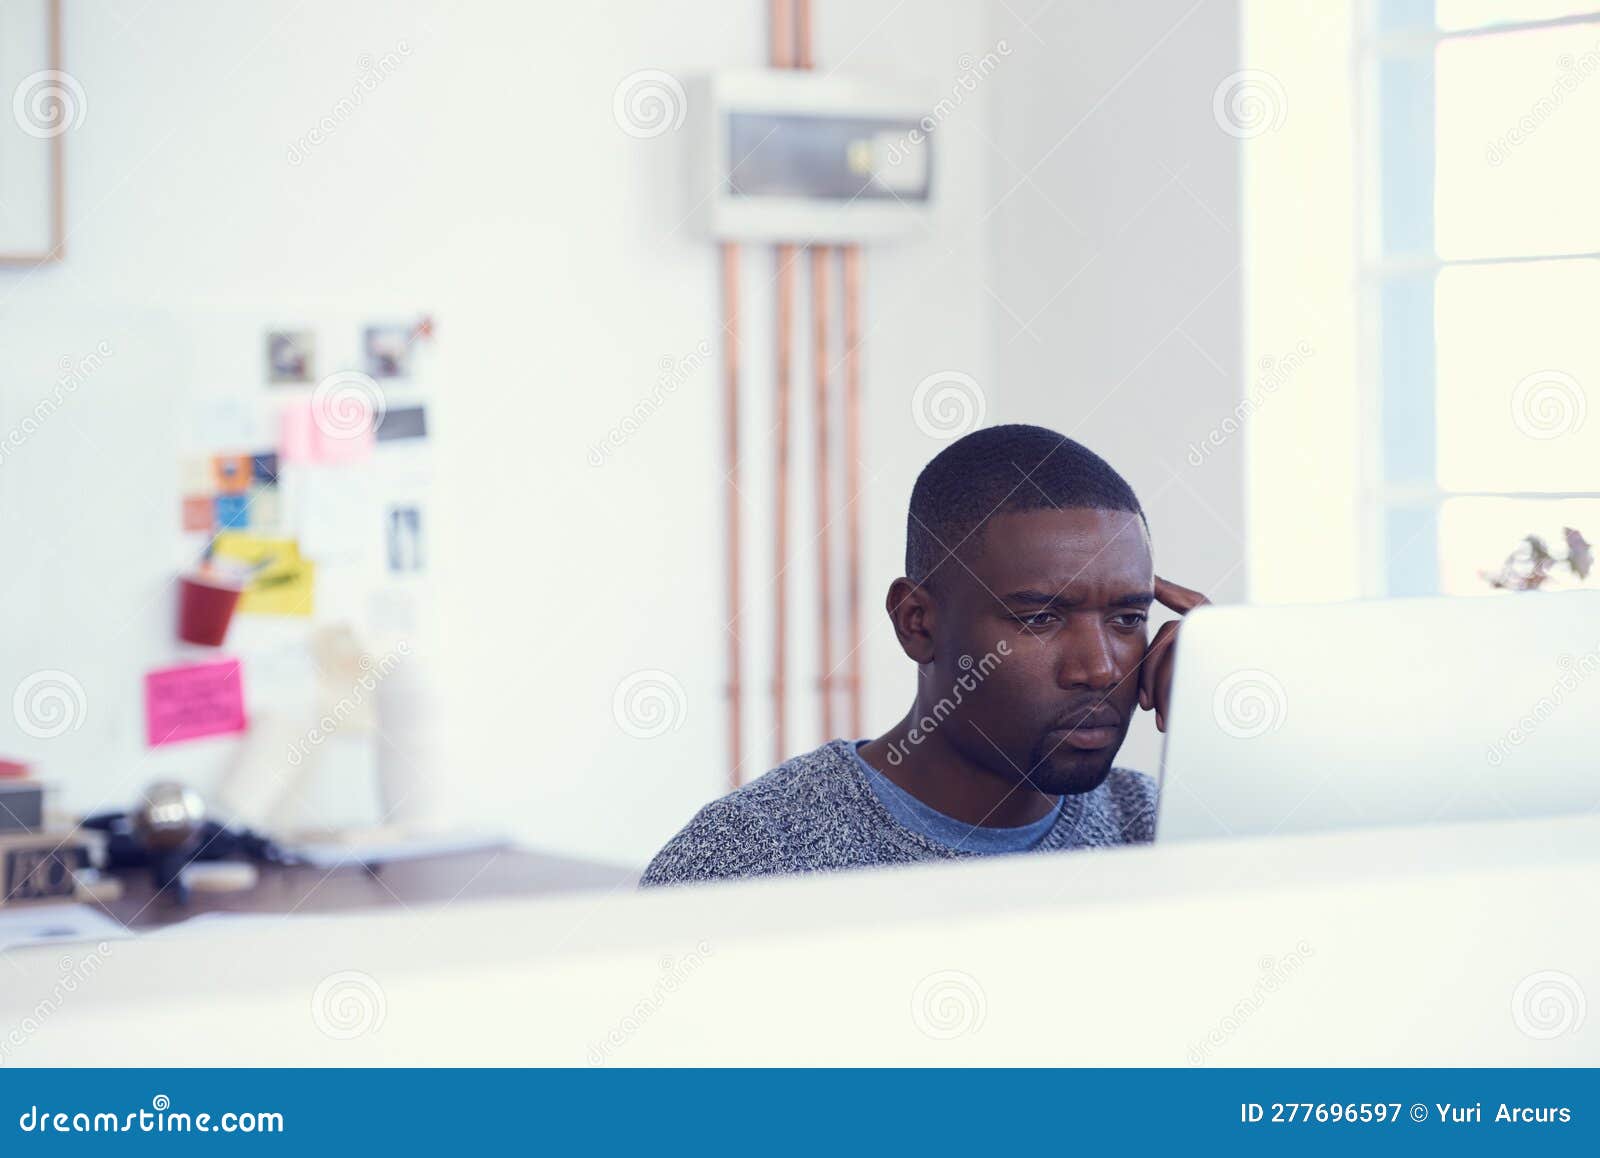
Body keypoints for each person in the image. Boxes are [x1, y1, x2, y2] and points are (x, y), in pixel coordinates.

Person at [641, 423, 1208, 887]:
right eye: (1039, 619)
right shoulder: (752, 862)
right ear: (917, 623)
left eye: (1128, 619)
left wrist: (1233, 708)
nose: (1101, 669)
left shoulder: (1159, 830)